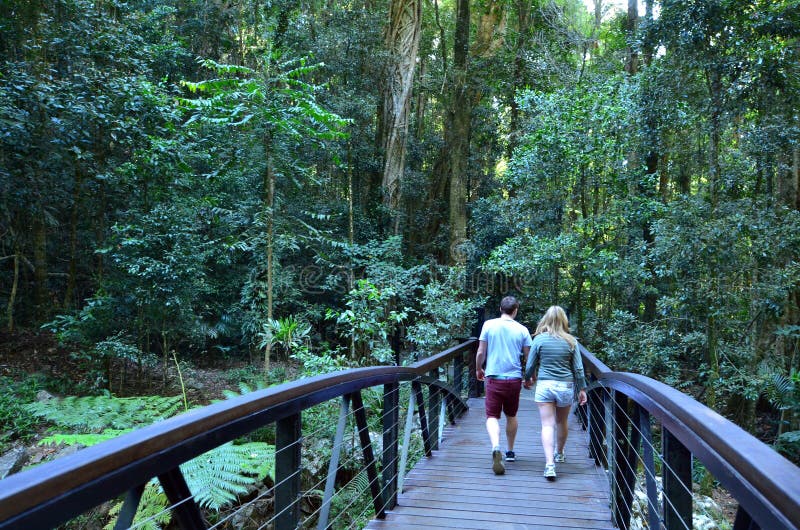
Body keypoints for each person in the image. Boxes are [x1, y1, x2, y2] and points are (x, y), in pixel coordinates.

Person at [524, 305, 588, 481]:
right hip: (565, 386)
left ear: (546, 319)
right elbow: (578, 369)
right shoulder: (571, 341)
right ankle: (559, 453)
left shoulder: (539, 340)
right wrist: (582, 389)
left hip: (545, 385)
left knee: (547, 425)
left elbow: (530, 365)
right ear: (564, 320)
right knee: (562, 421)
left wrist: (527, 379)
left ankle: (550, 465)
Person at [475, 296, 532, 475]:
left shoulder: (488, 325)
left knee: (492, 416)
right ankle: (510, 451)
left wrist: (478, 369)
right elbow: (529, 358)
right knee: (511, 415)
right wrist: (529, 378)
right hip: (514, 380)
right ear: (515, 310)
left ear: (500, 309)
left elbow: (480, 352)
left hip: (493, 377)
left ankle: (495, 446)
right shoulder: (522, 330)